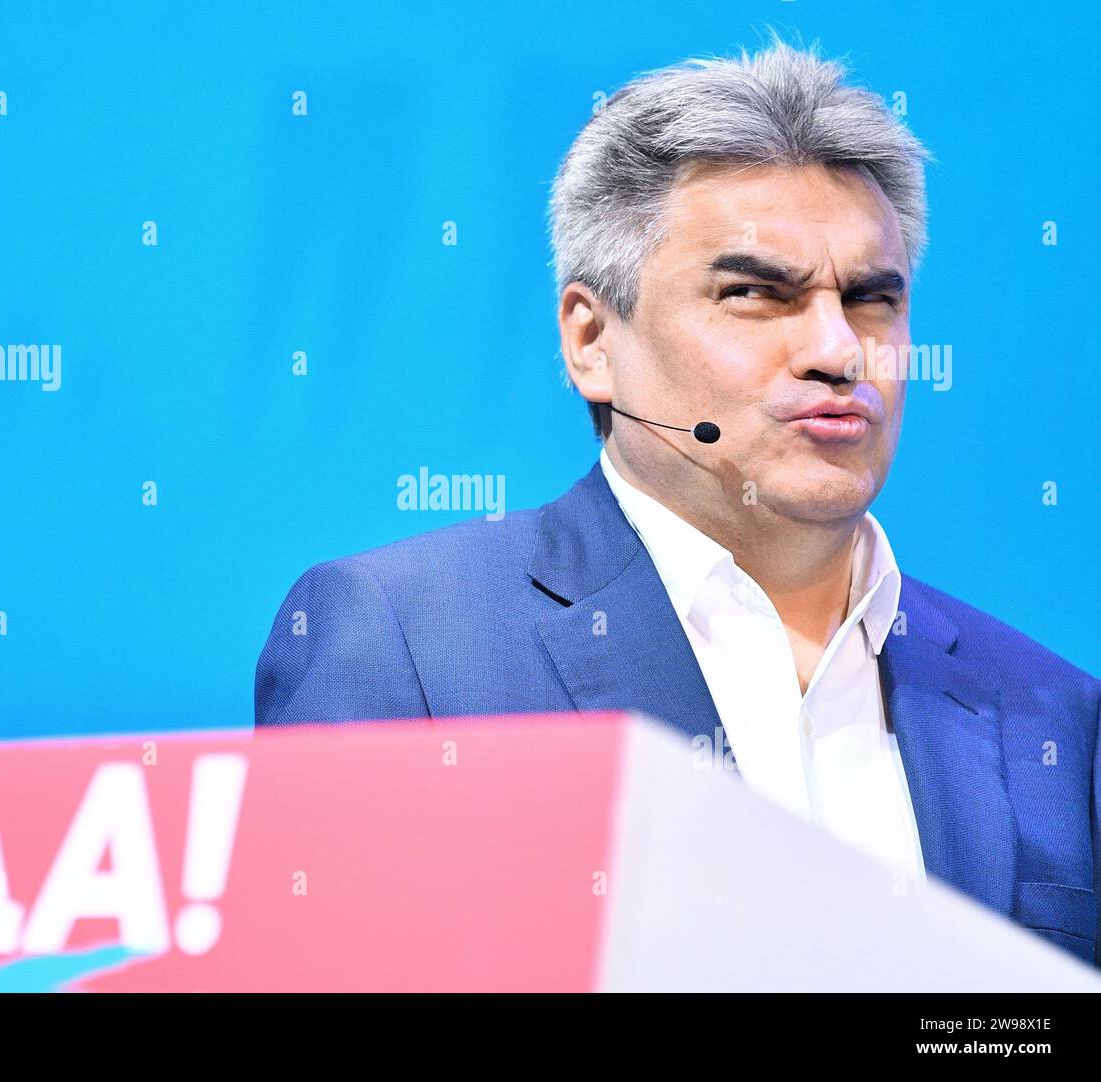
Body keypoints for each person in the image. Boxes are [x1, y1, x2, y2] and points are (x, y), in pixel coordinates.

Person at [255, 38, 1100, 965]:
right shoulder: (409, 646)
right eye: (754, 294)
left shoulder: (1054, 710)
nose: (839, 351)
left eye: (871, 300)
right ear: (591, 341)